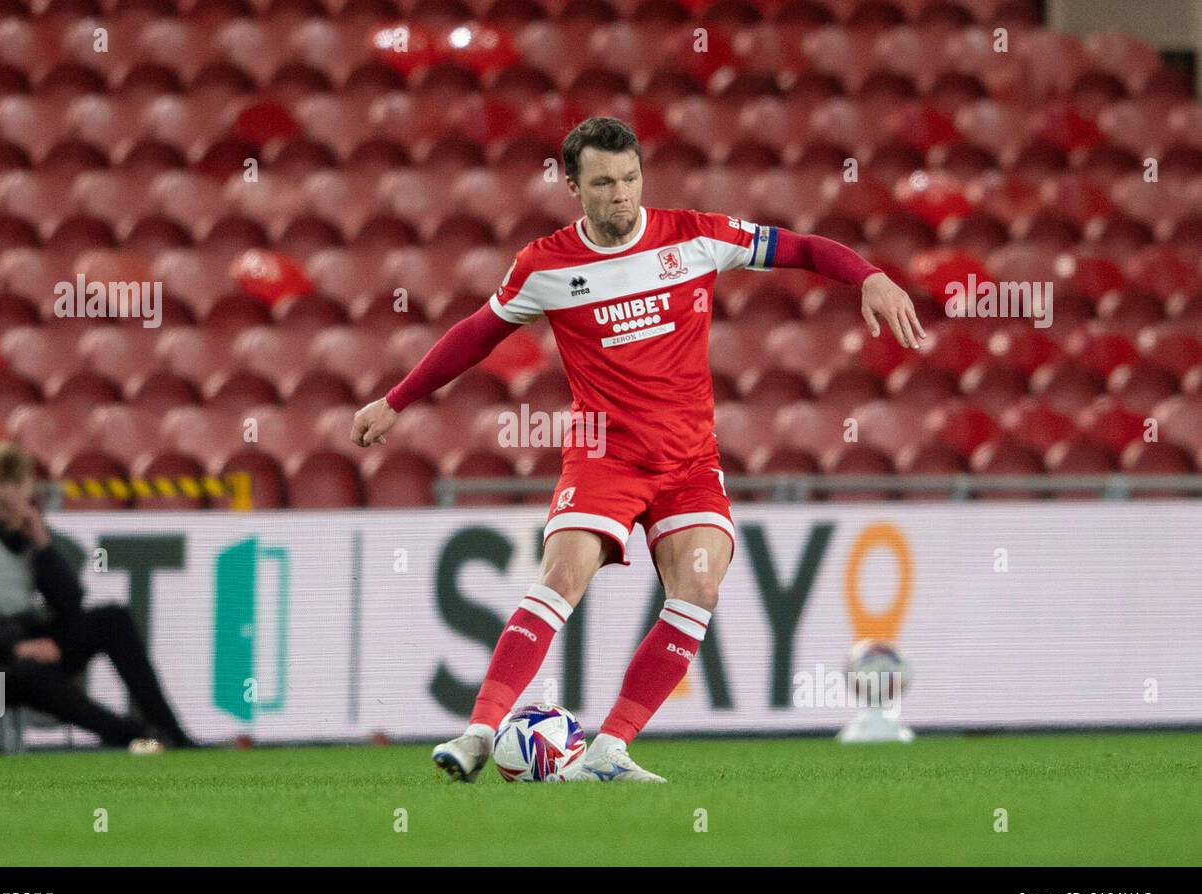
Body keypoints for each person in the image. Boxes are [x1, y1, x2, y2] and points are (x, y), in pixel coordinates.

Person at [351, 116, 924, 782]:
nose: (620, 194)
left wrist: (870, 277)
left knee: (700, 586)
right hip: (605, 457)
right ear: (572, 186)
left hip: (689, 464)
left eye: (629, 179)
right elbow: (476, 336)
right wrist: (394, 401)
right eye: (602, 182)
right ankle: (480, 733)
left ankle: (609, 749)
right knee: (561, 576)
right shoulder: (546, 265)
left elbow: (799, 248)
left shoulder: (698, 237)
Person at [0, 441, 194, 751]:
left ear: (29, 486)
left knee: (112, 620)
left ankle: (171, 731)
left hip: (26, 640)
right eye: (0, 484)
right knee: (28, 672)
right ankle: (130, 734)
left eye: (17, 484)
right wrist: (16, 644)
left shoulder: (25, 530)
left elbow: (69, 605)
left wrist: (43, 546)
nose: (8, 495)